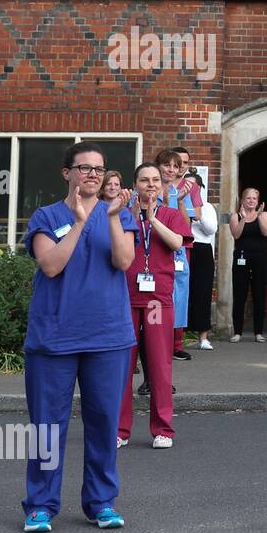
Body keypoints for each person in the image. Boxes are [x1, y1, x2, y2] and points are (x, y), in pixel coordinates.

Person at [21, 142, 136, 533]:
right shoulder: (45, 215)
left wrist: (114, 219)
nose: (92, 174)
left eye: (99, 169)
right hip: (53, 338)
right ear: (66, 172)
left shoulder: (118, 214)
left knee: (104, 423)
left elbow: (123, 261)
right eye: (84, 167)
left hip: (107, 336)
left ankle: (101, 502)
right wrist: (82, 221)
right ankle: (40, 505)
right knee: (47, 427)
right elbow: (51, 265)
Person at [119, 164, 192, 449]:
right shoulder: (124, 216)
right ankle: (120, 429)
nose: (150, 185)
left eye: (155, 181)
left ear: (162, 186)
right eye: (144, 180)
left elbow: (177, 244)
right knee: (123, 367)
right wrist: (131, 215)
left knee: (160, 366)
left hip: (157, 300)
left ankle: (163, 429)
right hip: (125, 298)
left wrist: (152, 219)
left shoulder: (172, 215)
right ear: (135, 185)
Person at [154, 149, 194, 363]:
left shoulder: (180, 192)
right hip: (154, 253)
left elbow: (186, 229)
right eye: (167, 165)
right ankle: (149, 350)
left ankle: (174, 345)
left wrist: (180, 201)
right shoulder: (149, 189)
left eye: (175, 166)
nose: (171, 170)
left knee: (177, 300)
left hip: (177, 254)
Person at [228, 188, 267, 343]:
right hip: (241, 259)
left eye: (254, 198)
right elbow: (236, 234)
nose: (251, 201)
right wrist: (244, 219)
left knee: (259, 295)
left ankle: (258, 332)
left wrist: (258, 216)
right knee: (239, 295)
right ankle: (237, 331)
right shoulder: (235, 216)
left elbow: (265, 232)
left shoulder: (264, 215)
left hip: (259, 259)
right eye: (248, 198)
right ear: (243, 200)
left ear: (258, 201)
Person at [188, 174, 218, 351]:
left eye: (192, 186)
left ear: (199, 188)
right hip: (184, 247)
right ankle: (179, 335)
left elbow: (211, 230)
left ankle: (203, 337)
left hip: (202, 249)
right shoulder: (178, 203)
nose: (189, 189)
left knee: (203, 292)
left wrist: (198, 217)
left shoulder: (206, 207)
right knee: (184, 292)